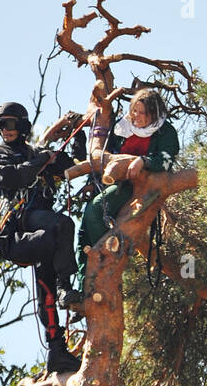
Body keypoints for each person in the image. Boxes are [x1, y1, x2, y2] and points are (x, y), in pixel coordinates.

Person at [0, 102, 83, 376]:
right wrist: (41, 160)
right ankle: (65, 286)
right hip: (17, 231)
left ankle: (56, 351)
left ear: (22, 126)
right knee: (62, 224)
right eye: (0, 125)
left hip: (42, 232)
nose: (4, 130)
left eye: (9, 124)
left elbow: (72, 166)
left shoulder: (37, 153)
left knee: (46, 283)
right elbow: (10, 176)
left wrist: (78, 132)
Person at [71, 88, 179, 300]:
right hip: (112, 181)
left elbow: (166, 160)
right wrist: (92, 181)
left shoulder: (165, 131)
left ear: (154, 114)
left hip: (137, 187)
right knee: (83, 232)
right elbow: (108, 154)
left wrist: (144, 161)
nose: (136, 116)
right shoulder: (122, 126)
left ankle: (106, 259)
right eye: (134, 111)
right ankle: (85, 288)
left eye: (142, 113)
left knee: (96, 210)